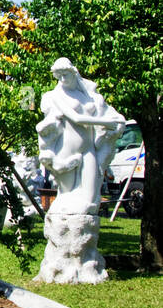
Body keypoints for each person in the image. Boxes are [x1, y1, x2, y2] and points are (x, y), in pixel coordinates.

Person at [36, 59, 124, 216]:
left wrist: (115, 121)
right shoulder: (57, 95)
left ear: (73, 72)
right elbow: (76, 118)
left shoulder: (88, 94)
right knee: (66, 197)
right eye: (59, 76)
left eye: (65, 74)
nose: (63, 79)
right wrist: (106, 122)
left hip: (89, 149)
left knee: (89, 198)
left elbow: (103, 110)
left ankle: (82, 234)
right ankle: (63, 231)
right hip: (67, 152)